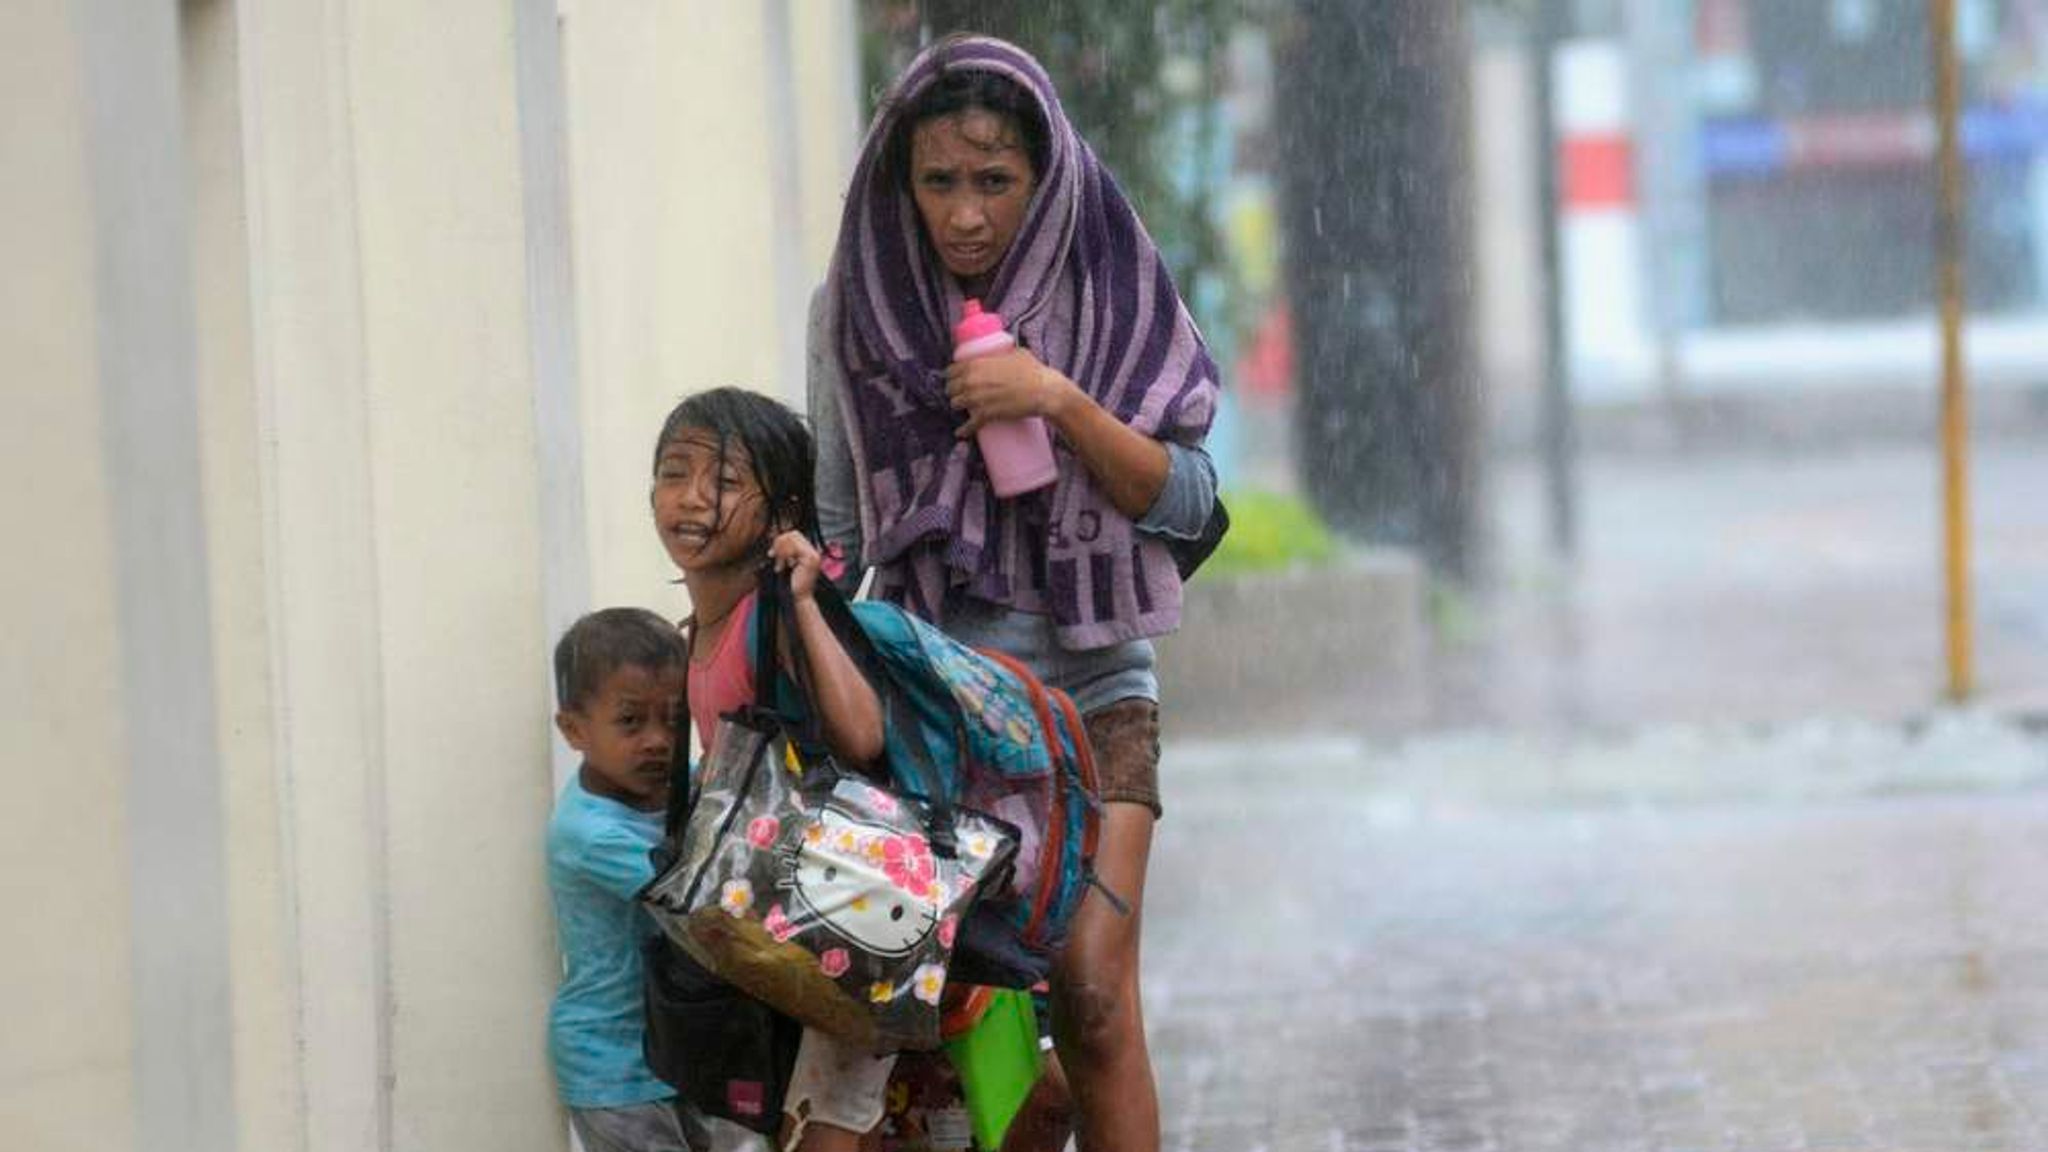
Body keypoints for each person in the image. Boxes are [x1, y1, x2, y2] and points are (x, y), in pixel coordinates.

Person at [809, 35, 1222, 1152]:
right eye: (937, 182)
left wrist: (1056, 400)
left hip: (1094, 691)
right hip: (941, 705)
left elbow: (1190, 514)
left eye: (994, 181)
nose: (965, 216)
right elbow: (844, 544)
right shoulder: (854, 311)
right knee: (938, 1019)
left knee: (1090, 994)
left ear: (1043, 180)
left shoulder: (1113, 292)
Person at [646, 386, 896, 1152]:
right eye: (673, 472)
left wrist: (805, 601)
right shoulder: (698, 629)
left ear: (780, 510)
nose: (690, 499)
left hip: (847, 909)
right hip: (778, 931)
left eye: (723, 483)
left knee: (825, 1131)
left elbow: (861, 736)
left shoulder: (774, 614)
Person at [546, 606, 705, 1152]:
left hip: (687, 1048)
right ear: (574, 729)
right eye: (632, 721)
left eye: (675, 718)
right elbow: (696, 900)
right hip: (614, 1065)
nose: (659, 740)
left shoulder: (682, 784)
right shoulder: (588, 833)